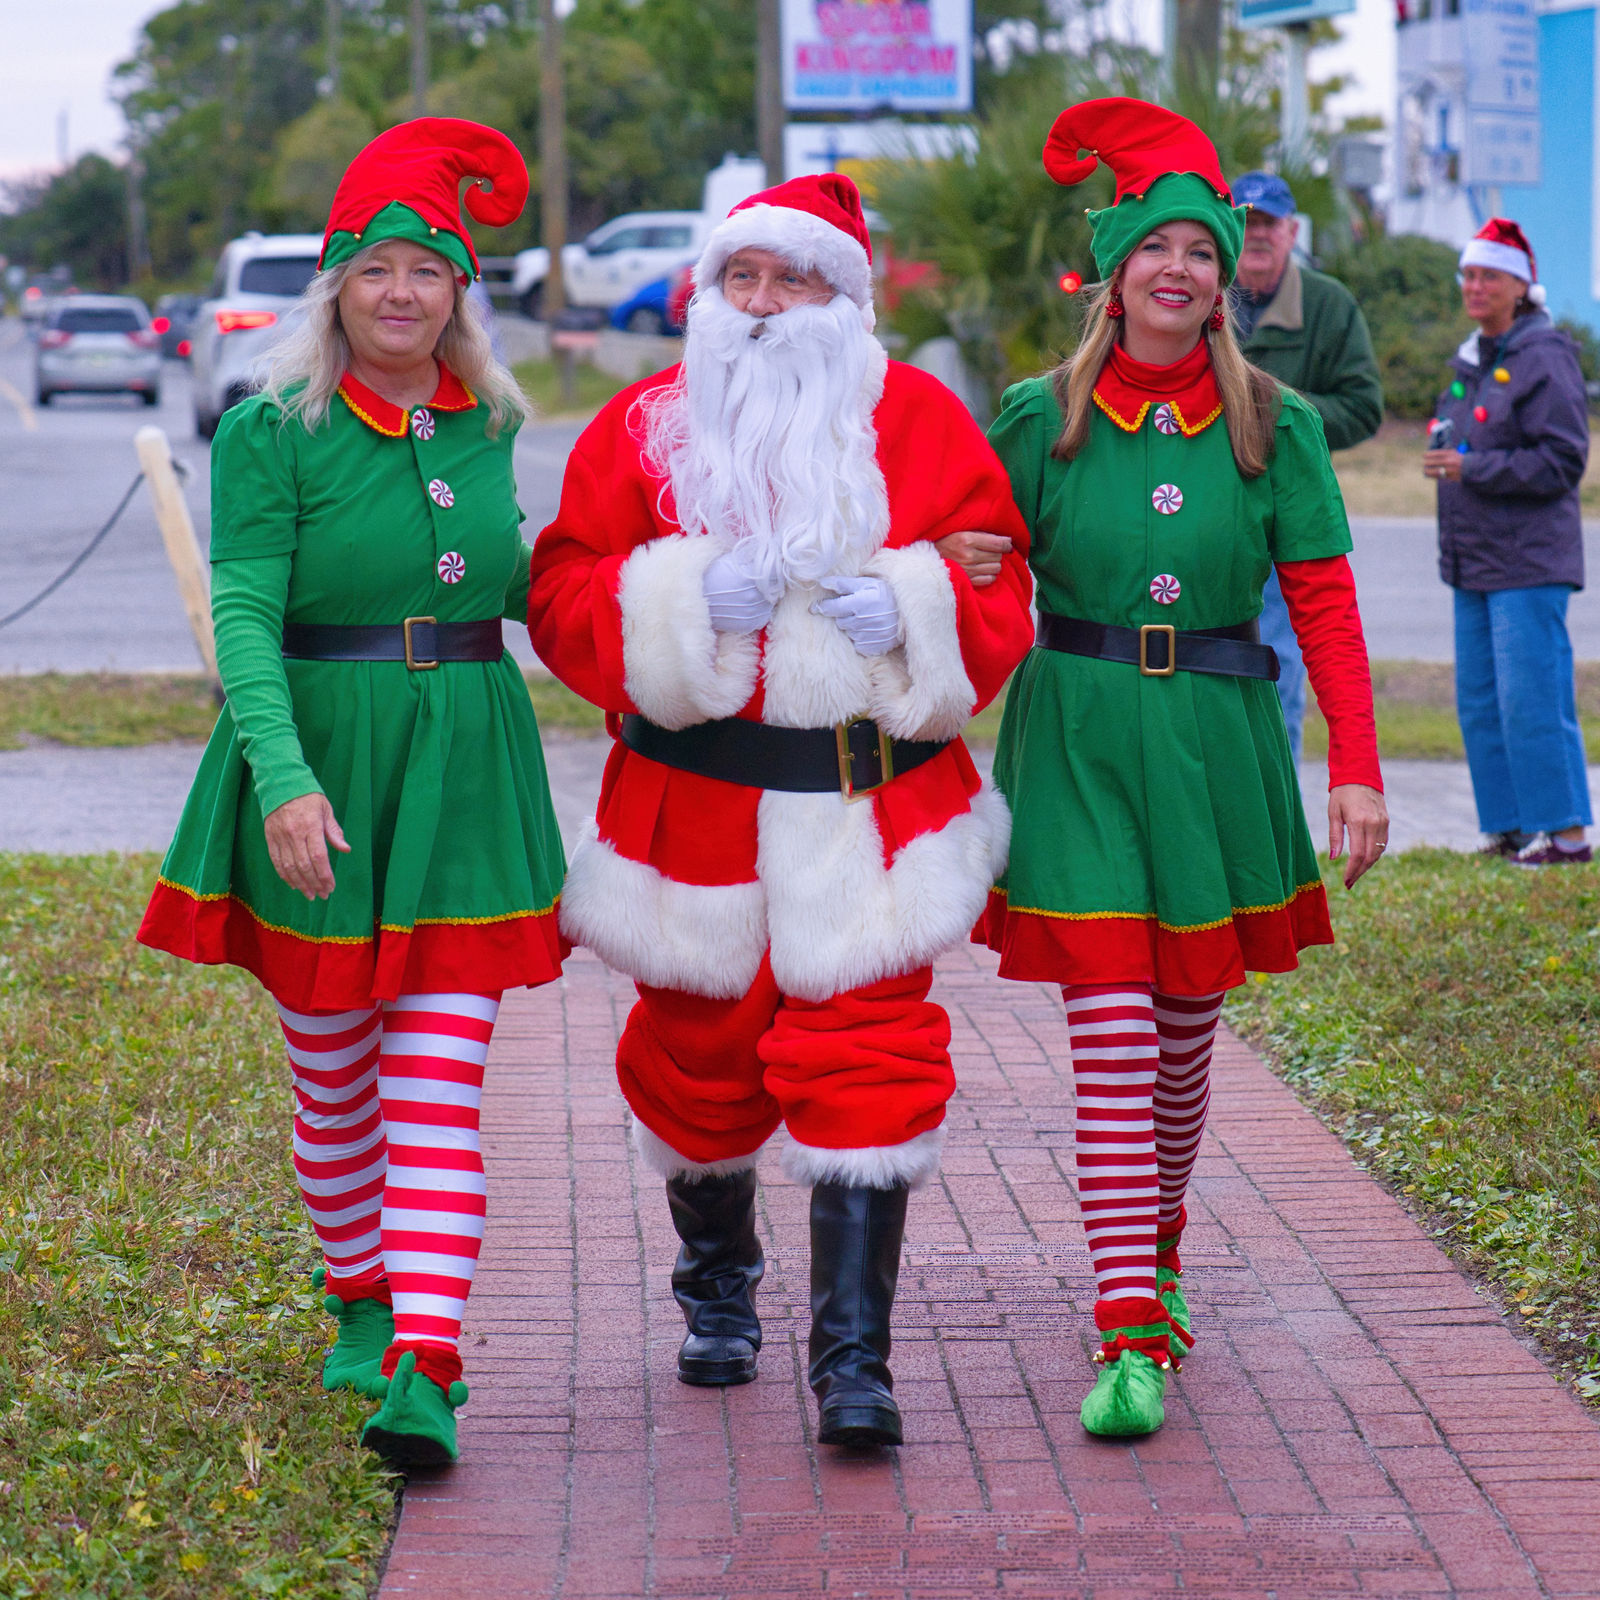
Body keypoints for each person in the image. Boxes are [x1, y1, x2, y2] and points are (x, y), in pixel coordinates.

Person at [528, 173, 1034, 1449]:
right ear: (708, 295)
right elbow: (561, 590)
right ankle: (717, 1286)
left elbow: (999, 573)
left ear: (844, 300)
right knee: (694, 1062)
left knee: (873, 1060)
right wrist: (683, 597)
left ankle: (850, 1363)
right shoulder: (641, 425)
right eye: (740, 279)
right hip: (689, 808)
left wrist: (917, 605)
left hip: (867, 814)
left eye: (792, 279)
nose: (761, 306)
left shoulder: (918, 418)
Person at [137, 119, 568, 1467]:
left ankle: (427, 1364)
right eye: (375, 270)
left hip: (469, 761)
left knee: (436, 1074)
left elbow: (521, 586)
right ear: (335, 290)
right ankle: (361, 1291)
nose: (400, 292)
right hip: (320, 753)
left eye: (426, 272)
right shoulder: (276, 430)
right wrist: (281, 778)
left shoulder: (494, 421)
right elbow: (247, 614)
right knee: (334, 1074)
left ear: (458, 293)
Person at [958, 99, 1387, 1438]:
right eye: (1160, 249)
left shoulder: (1279, 423)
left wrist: (1359, 767)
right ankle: (1129, 1329)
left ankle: (1161, 1247)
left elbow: (1323, 603)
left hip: (1215, 741)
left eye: (1205, 251)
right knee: (1112, 1030)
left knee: (1184, 1040)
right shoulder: (1040, 417)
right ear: (1115, 271)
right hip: (1076, 734)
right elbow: (967, 567)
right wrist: (962, 570)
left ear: (1227, 278)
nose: (1182, 270)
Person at [1423, 218, 1591, 866]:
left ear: (1521, 285)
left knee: (1533, 698)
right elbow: (1465, 431)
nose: (1475, 285)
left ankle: (1568, 834)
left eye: (1489, 275)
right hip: (1474, 559)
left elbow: (1563, 460)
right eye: (1468, 274)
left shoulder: (1544, 356)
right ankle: (1511, 828)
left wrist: (1475, 468)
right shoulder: (1474, 357)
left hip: (1528, 563)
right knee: (1483, 701)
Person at [1230, 170, 1384, 763]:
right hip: (1197, 511)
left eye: (1270, 222)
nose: (1258, 234)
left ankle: (1278, 811)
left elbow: (1364, 407)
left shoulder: (1329, 304)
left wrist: (1277, 414)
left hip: (1282, 515)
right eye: (1247, 221)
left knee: (1276, 668)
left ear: (1293, 230)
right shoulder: (1193, 292)